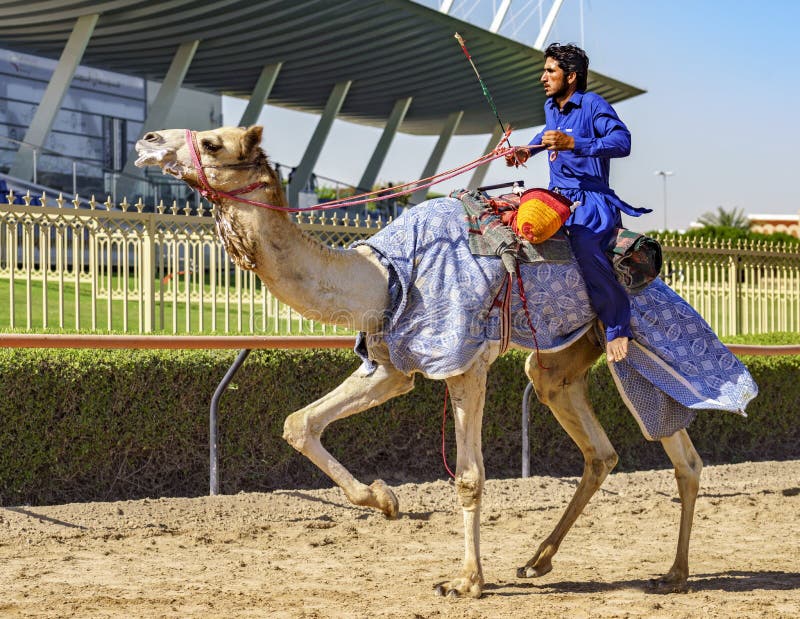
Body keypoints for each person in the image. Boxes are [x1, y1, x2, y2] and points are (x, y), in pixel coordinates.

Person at [505, 42, 651, 363]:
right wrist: (528, 150)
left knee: (585, 246)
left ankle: (616, 324)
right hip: (558, 196)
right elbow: (548, 133)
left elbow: (622, 141)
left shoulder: (593, 104)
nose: (542, 77)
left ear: (571, 76)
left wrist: (575, 143)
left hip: (592, 201)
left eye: (550, 71)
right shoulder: (551, 108)